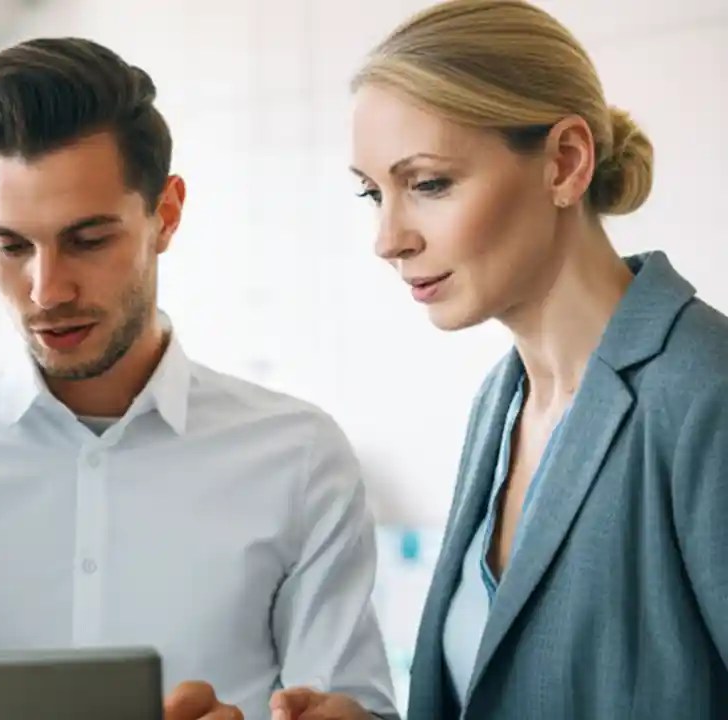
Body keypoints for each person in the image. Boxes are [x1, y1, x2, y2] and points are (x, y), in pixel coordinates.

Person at [0, 37, 397, 720]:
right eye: (9, 245)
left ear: (165, 215)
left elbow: (354, 706)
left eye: (88, 240)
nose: (47, 289)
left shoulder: (299, 457)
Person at [270, 0, 728, 718]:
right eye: (372, 193)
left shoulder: (706, 394)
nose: (388, 239)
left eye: (427, 183)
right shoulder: (501, 403)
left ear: (565, 162)